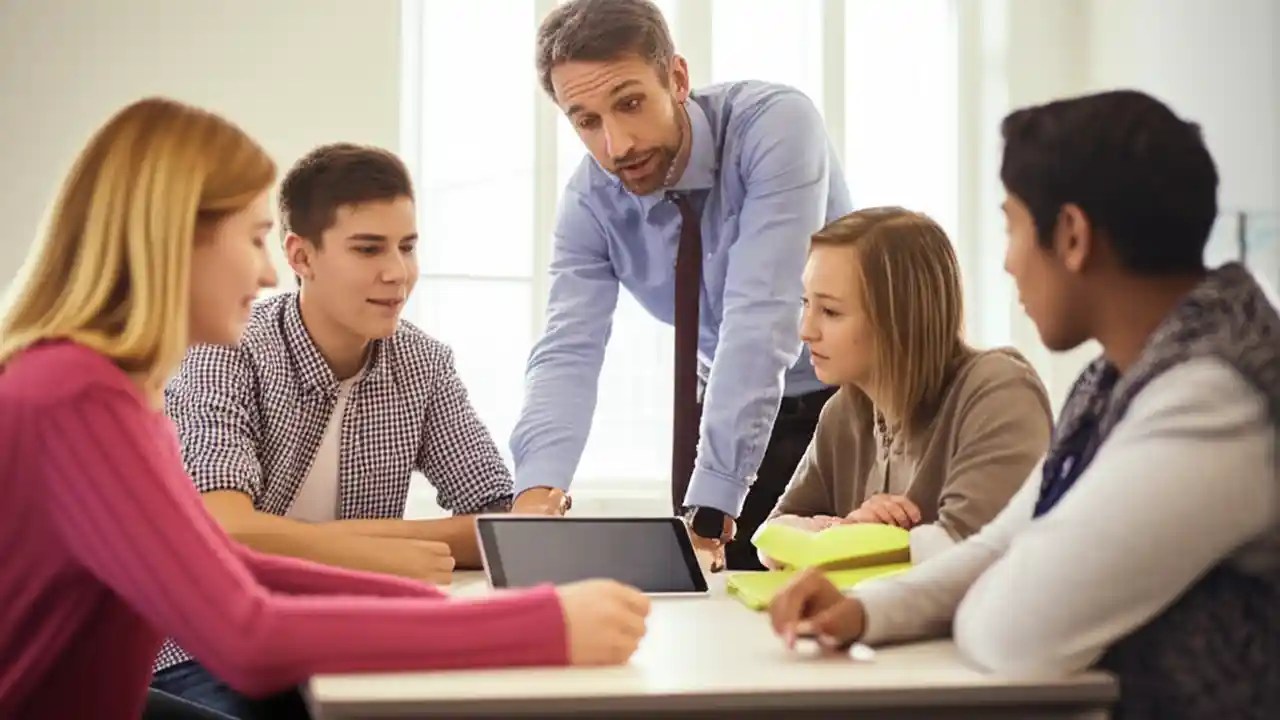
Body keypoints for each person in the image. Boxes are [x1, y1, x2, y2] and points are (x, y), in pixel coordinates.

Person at [0, 97, 650, 720]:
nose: (265, 274)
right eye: (254, 239)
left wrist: (422, 595)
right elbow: (245, 629)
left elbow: (230, 560)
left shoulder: (97, 388)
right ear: (176, 241)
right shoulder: (79, 397)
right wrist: (540, 625)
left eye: (407, 246)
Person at [767, 90, 1279, 719]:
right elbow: (997, 546)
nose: (1008, 263)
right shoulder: (1112, 378)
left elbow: (1015, 633)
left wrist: (991, 579)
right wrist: (866, 610)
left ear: (1072, 236)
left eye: (1011, 227)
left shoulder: (1213, 395)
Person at [149, 143, 522, 716]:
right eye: (368, 248)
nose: (397, 273)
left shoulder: (422, 363)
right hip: (206, 647)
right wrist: (370, 555)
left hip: (347, 640)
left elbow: (504, 529)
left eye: (407, 246)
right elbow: (222, 528)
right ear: (301, 256)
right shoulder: (226, 349)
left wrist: (352, 541)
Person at [510, 0, 855, 571]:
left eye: (630, 103)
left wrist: (712, 504)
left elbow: (760, 317)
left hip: (849, 409)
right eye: (587, 121)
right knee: (716, 600)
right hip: (728, 411)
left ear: (677, 78)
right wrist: (535, 497)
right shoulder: (590, 202)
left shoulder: (776, 126)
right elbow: (567, 350)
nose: (617, 146)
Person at [759, 208, 1051, 566]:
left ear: (899, 316)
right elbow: (771, 541)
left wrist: (855, 540)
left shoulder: (998, 392)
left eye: (831, 312)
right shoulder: (844, 411)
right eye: (806, 304)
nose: (805, 330)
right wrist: (848, 533)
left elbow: (970, 550)